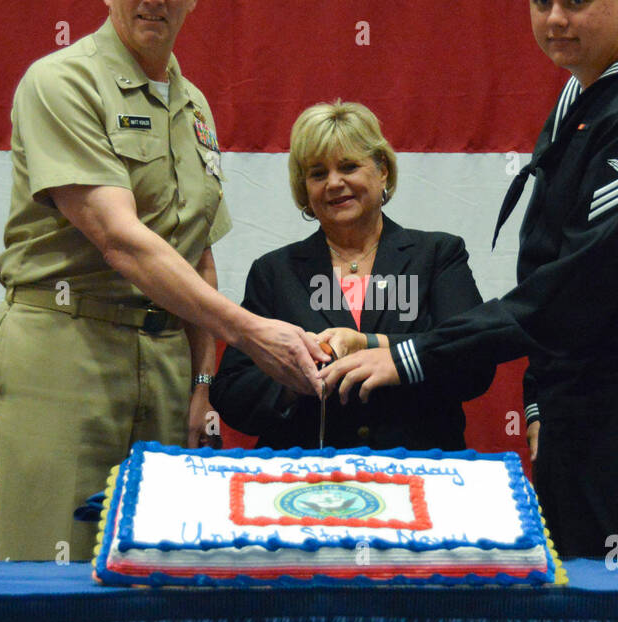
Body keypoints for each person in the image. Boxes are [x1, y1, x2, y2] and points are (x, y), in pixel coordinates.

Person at [322, 0, 618, 559]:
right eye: (540, 1)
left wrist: (408, 355)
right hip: (582, 410)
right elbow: (553, 267)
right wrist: (540, 402)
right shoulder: (590, 96)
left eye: (576, 0)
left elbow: (574, 290)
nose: (554, 21)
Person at [0, 0, 323, 562]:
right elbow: (120, 239)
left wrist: (203, 383)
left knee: (159, 569)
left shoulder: (192, 106)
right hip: (66, 349)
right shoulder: (61, 82)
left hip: (167, 362)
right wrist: (249, 331)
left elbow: (197, 253)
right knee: (59, 571)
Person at [210, 101, 494, 450]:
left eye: (348, 167)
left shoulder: (437, 256)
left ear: (383, 171)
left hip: (419, 472)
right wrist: (291, 381)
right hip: (305, 482)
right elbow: (232, 393)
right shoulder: (274, 272)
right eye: (317, 173)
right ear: (305, 189)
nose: (334, 183)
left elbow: (474, 362)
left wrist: (370, 346)